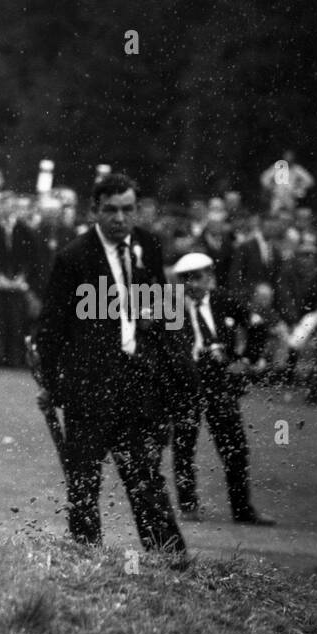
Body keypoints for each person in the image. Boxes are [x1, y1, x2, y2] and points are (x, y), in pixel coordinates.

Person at [35, 173, 187, 554]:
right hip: (88, 389)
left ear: (137, 210)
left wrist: (162, 369)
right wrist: (53, 386)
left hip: (137, 385)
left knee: (146, 479)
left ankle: (169, 561)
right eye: (111, 210)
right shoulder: (74, 258)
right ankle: (86, 559)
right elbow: (51, 330)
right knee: (84, 483)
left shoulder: (148, 247)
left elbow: (162, 316)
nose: (120, 218)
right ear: (94, 212)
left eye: (127, 209)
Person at [167, 252, 276, 526]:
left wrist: (246, 360)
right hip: (186, 384)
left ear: (209, 277)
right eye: (185, 279)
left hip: (219, 383)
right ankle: (188, 504)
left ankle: (242, 508)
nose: (192, 284)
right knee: (184, 445)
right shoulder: (172, 306)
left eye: (197, 277)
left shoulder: (224, 300)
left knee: (234, 446)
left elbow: (257, 326)